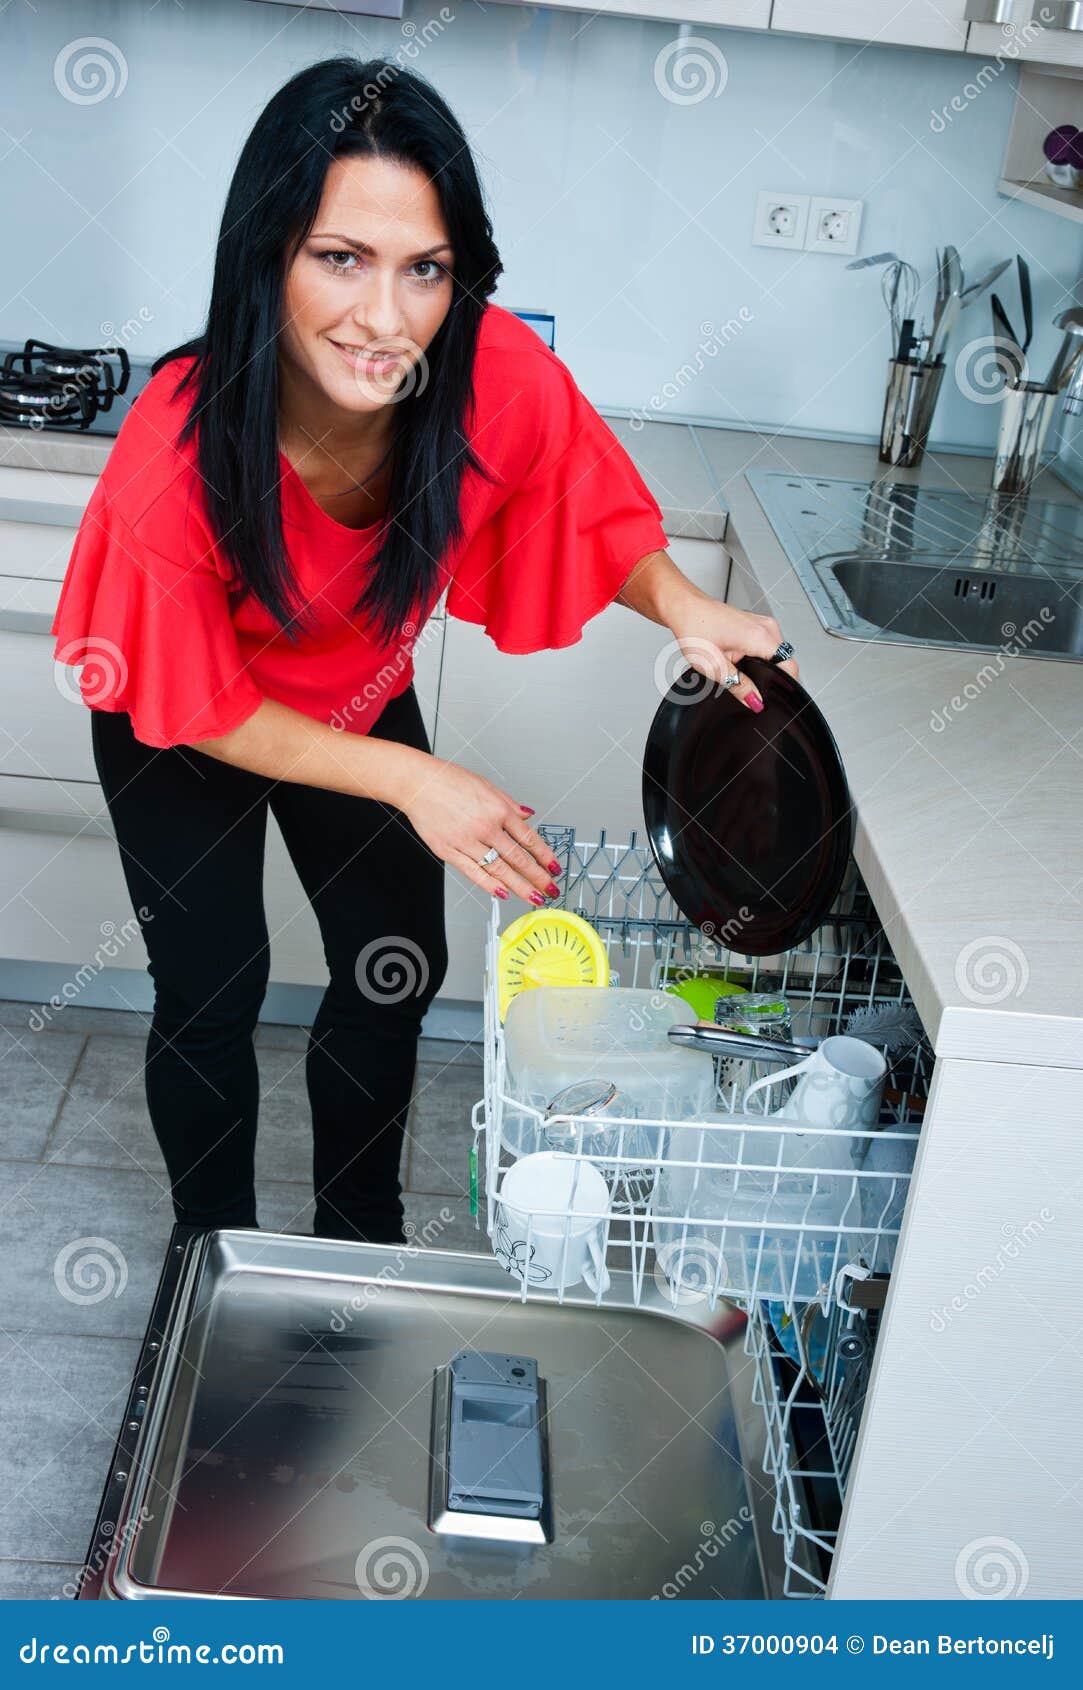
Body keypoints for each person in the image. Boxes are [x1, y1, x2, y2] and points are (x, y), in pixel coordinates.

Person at [51, 56, 794, 1244]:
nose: (385, 320)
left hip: (348, 697)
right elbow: (204, 706)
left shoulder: (488, 374)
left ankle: (360, 1238)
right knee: (213, 986)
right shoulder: (172, 454)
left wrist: (685, 608)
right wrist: (416, 779)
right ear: (268, 255)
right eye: (340, 258)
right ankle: (211, 1256)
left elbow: (588, 505)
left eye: (426, 270)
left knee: (393, 961)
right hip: (184, 713)